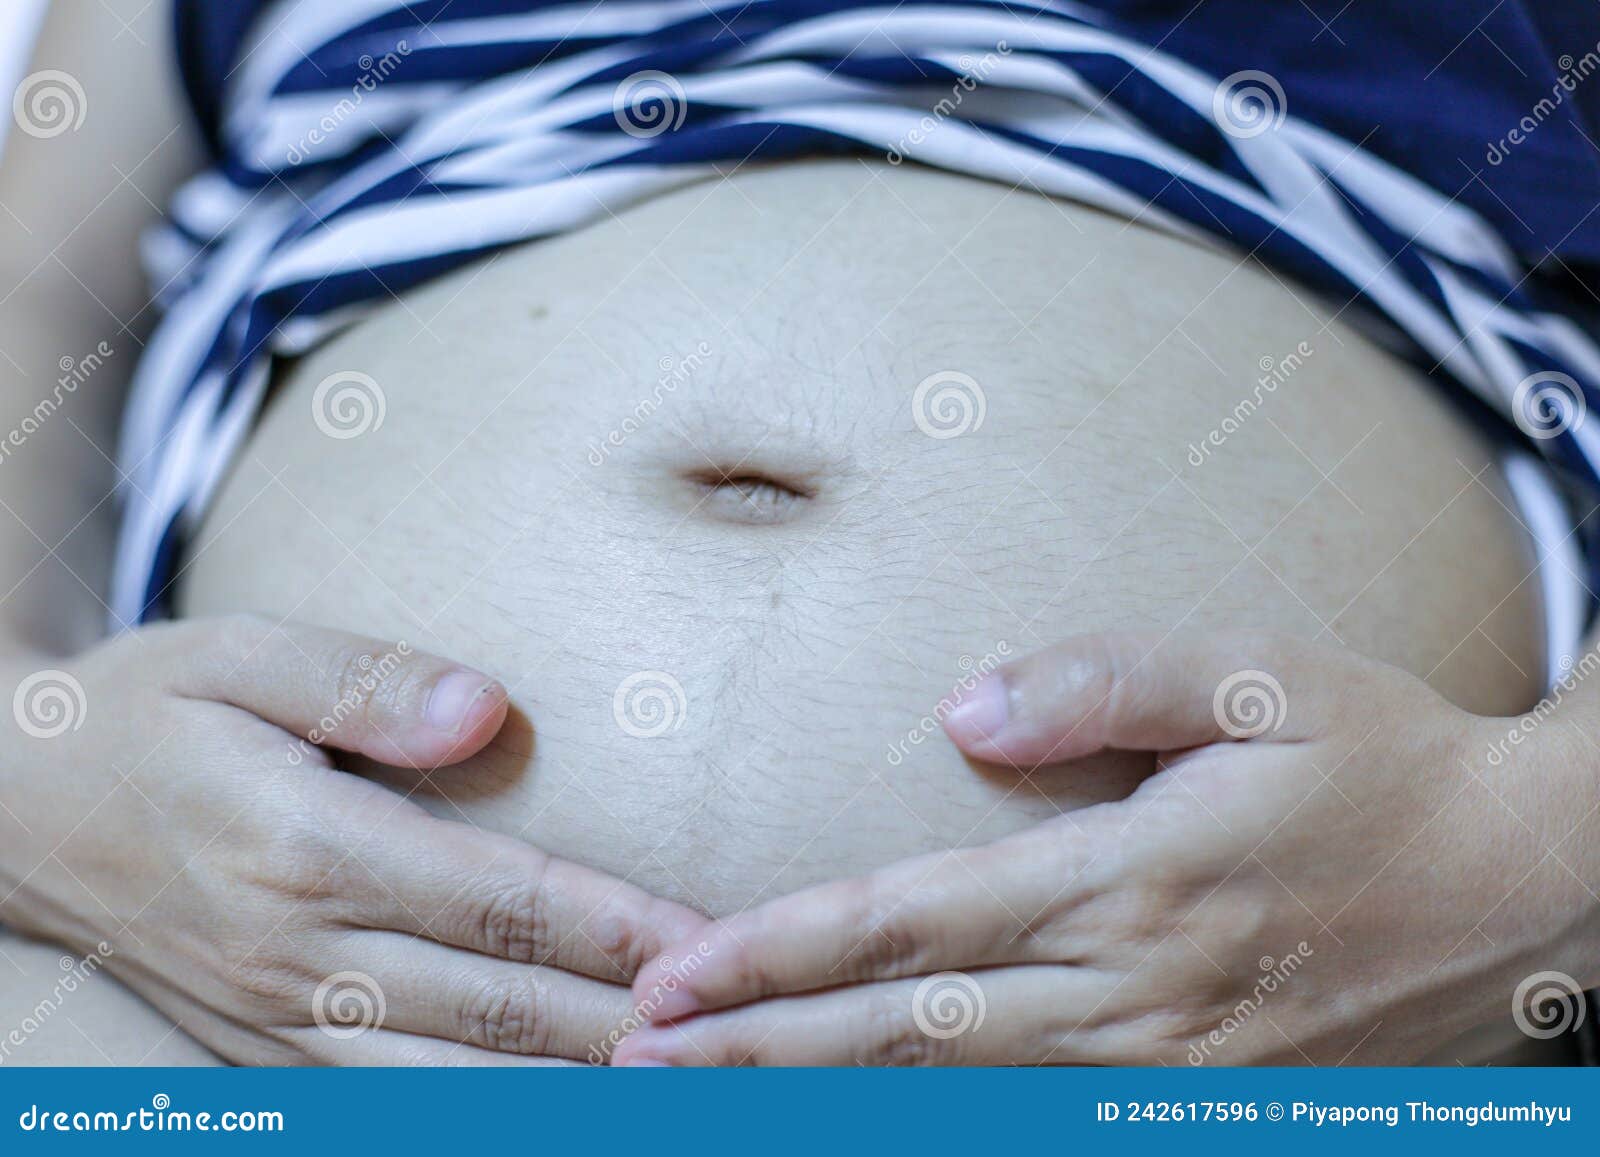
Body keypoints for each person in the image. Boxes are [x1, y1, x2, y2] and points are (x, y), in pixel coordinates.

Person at [1, 0, 1597, 1067]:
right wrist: (33, 767)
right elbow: (30, 291)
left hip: (1325, 1035)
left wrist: (1536, 859)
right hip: (219, 1017)